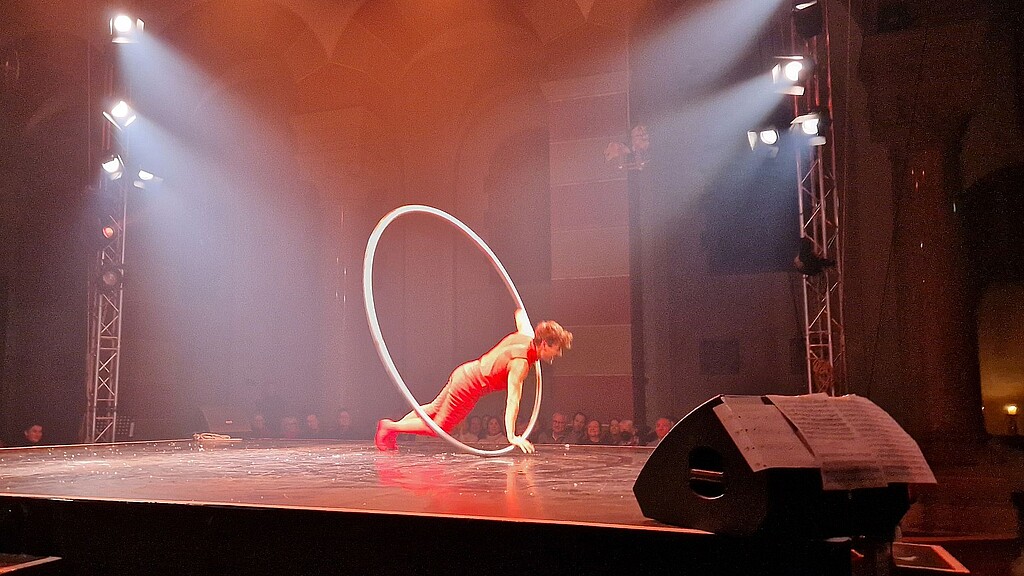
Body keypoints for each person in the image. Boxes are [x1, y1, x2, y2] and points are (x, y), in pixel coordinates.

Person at [375, 309, 572, 453]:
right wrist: (512, 435)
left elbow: (520, 314)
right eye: (557, 349)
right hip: (469, 387)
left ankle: (392, 431)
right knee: (439, 427)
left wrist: (524, 312)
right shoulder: (520, 363)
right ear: (544, 344)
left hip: (465, 372)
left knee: (433, 408)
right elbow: (513, 399)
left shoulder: (527, 335)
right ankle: (390, 427)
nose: (559, 354)